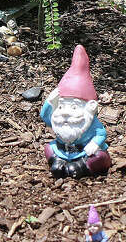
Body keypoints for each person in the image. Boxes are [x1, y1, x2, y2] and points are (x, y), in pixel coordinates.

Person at [40, 45, 111, 178]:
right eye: (61, 106)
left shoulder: (90, 121)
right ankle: (58, 161)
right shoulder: (58, 119)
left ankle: (83, 166)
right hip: (62, 150)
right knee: (49, 148)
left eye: (73, 107)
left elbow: (101, 132)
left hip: (85, 151)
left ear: (90, 107)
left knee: (100, 156)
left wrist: (95, 143)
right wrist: (50, 101)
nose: (65, 113)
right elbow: (44, 116)